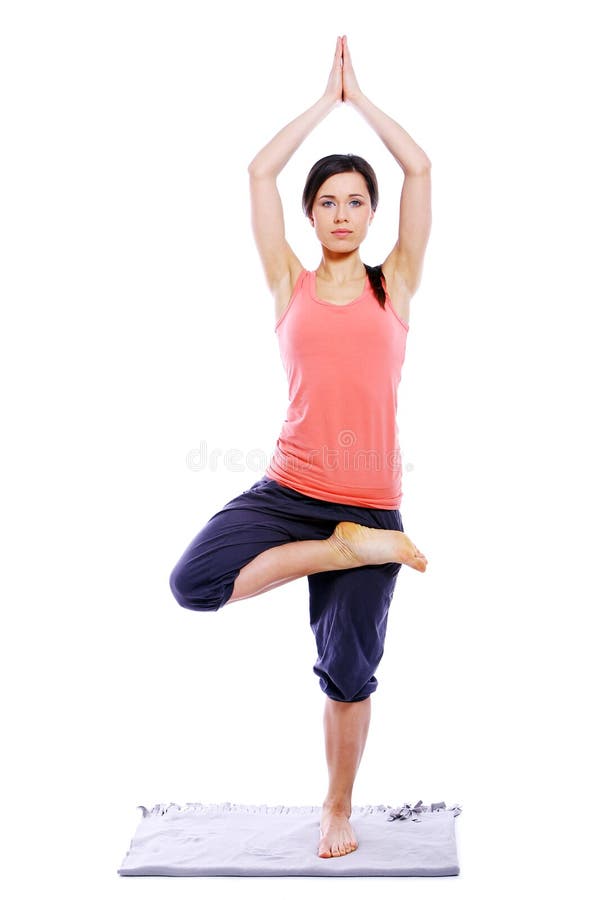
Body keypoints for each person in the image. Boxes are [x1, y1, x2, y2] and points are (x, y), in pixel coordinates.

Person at [169, 34, 432, 860]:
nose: (343, 213)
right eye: (329, 202)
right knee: (193, 582)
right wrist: (325, 103)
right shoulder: (289, 281)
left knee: (350, 673)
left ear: (372, 215)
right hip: (289, 492)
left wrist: (366, 103)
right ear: (312, 215)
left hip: (370, 501)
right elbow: (257, 173)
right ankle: (336, 551)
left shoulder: (399, 281)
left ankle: (335, 808)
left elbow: (421, 170)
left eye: (357, 201)